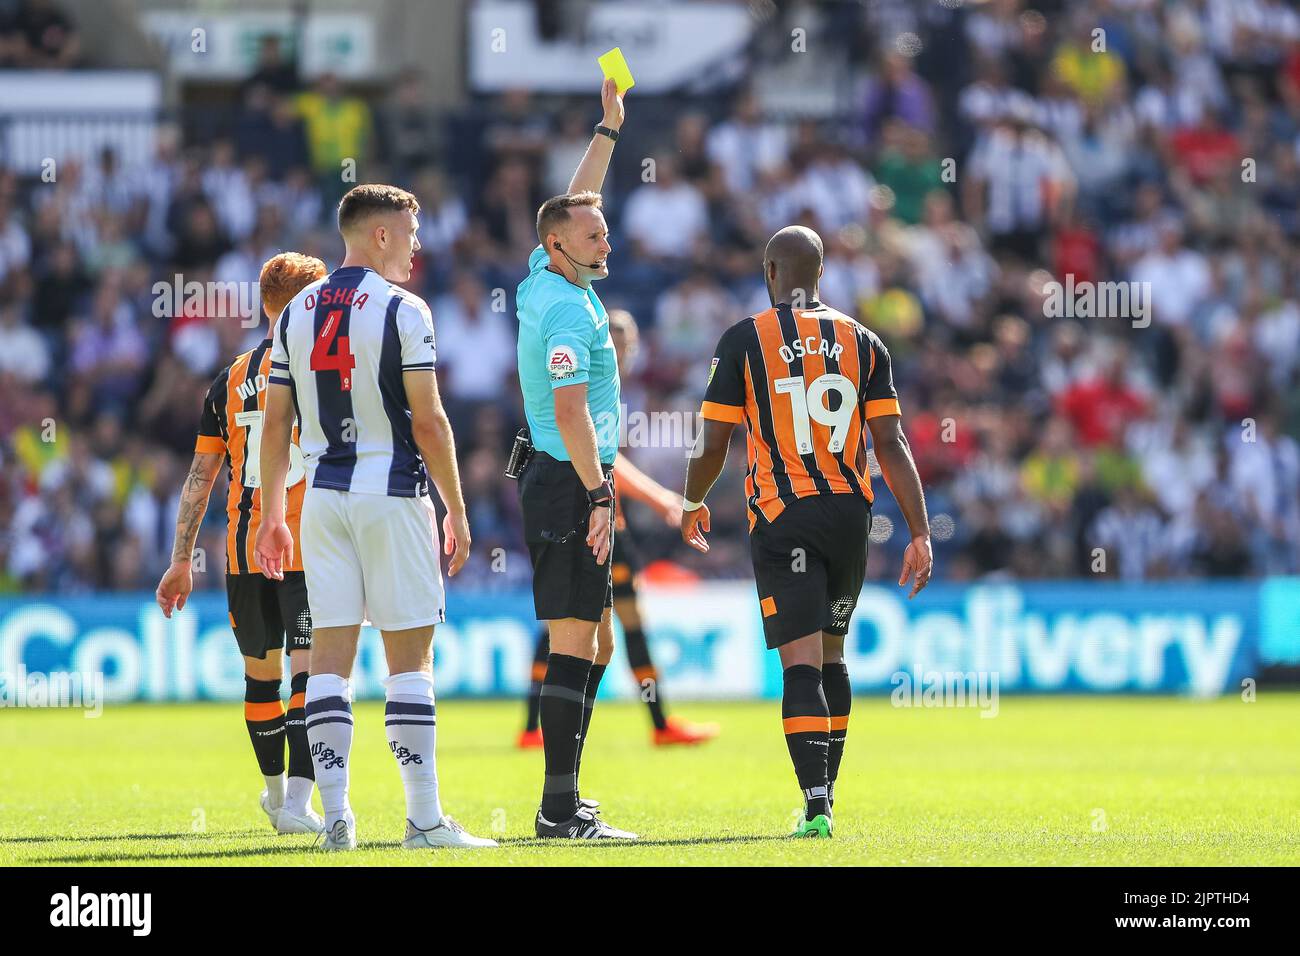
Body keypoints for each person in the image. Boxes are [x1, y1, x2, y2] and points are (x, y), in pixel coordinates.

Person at [253, 184, 496, 851]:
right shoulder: (403, 309)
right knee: (409, 658)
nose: (418, 247)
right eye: (411, 234)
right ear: (380, 234)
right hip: (391, 492)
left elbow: (276, 423)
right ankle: (423, 820)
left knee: (329, 658)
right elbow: (429, 419)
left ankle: (336, 819)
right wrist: (455, 507)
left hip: (322, 500)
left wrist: (274, 512)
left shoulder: (295, 311)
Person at [681, 225, 933, 838]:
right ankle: (826, 798)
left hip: (783, 515)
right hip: (851, 516)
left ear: (771, 273)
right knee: (831, 654)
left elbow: (714, 441)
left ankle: (816, 806)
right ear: (819, 275)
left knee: (799, 664)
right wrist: (921, 531)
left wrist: (692, 499)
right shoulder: (864, 341)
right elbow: (891, 444)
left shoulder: (743, 341)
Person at [156, 251, 328, 836]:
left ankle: (279, 798)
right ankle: (298, 806)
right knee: (310, 676)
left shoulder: (229, 377)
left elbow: (200, 477)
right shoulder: (324, 369)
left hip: (242, 550)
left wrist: (181, 560)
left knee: (263, 676)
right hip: (307, 546)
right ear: (310, 301)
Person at [515, 78, 637, 840]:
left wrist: (610, 128)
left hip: (570, 479)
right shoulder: (565, 307)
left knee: (596, 637)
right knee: (574, 638)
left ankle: (567, 799)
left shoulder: (547, 272)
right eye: (594, 237)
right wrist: (599, 495)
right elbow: (568, 411)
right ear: (562, 246)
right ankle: (559, 810)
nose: (606, 239)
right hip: (568, 484)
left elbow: (574, 201)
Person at [518, 309, 719, 748]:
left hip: (611, 521)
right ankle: (539, 728)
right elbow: (608, 461)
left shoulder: (613, 389)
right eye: (614, 339)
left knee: (619, 622)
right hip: (590, 517)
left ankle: (655, 723)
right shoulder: (588, 387)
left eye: (627, 340)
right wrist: (662, 498)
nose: (621, 348)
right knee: (572, 624)